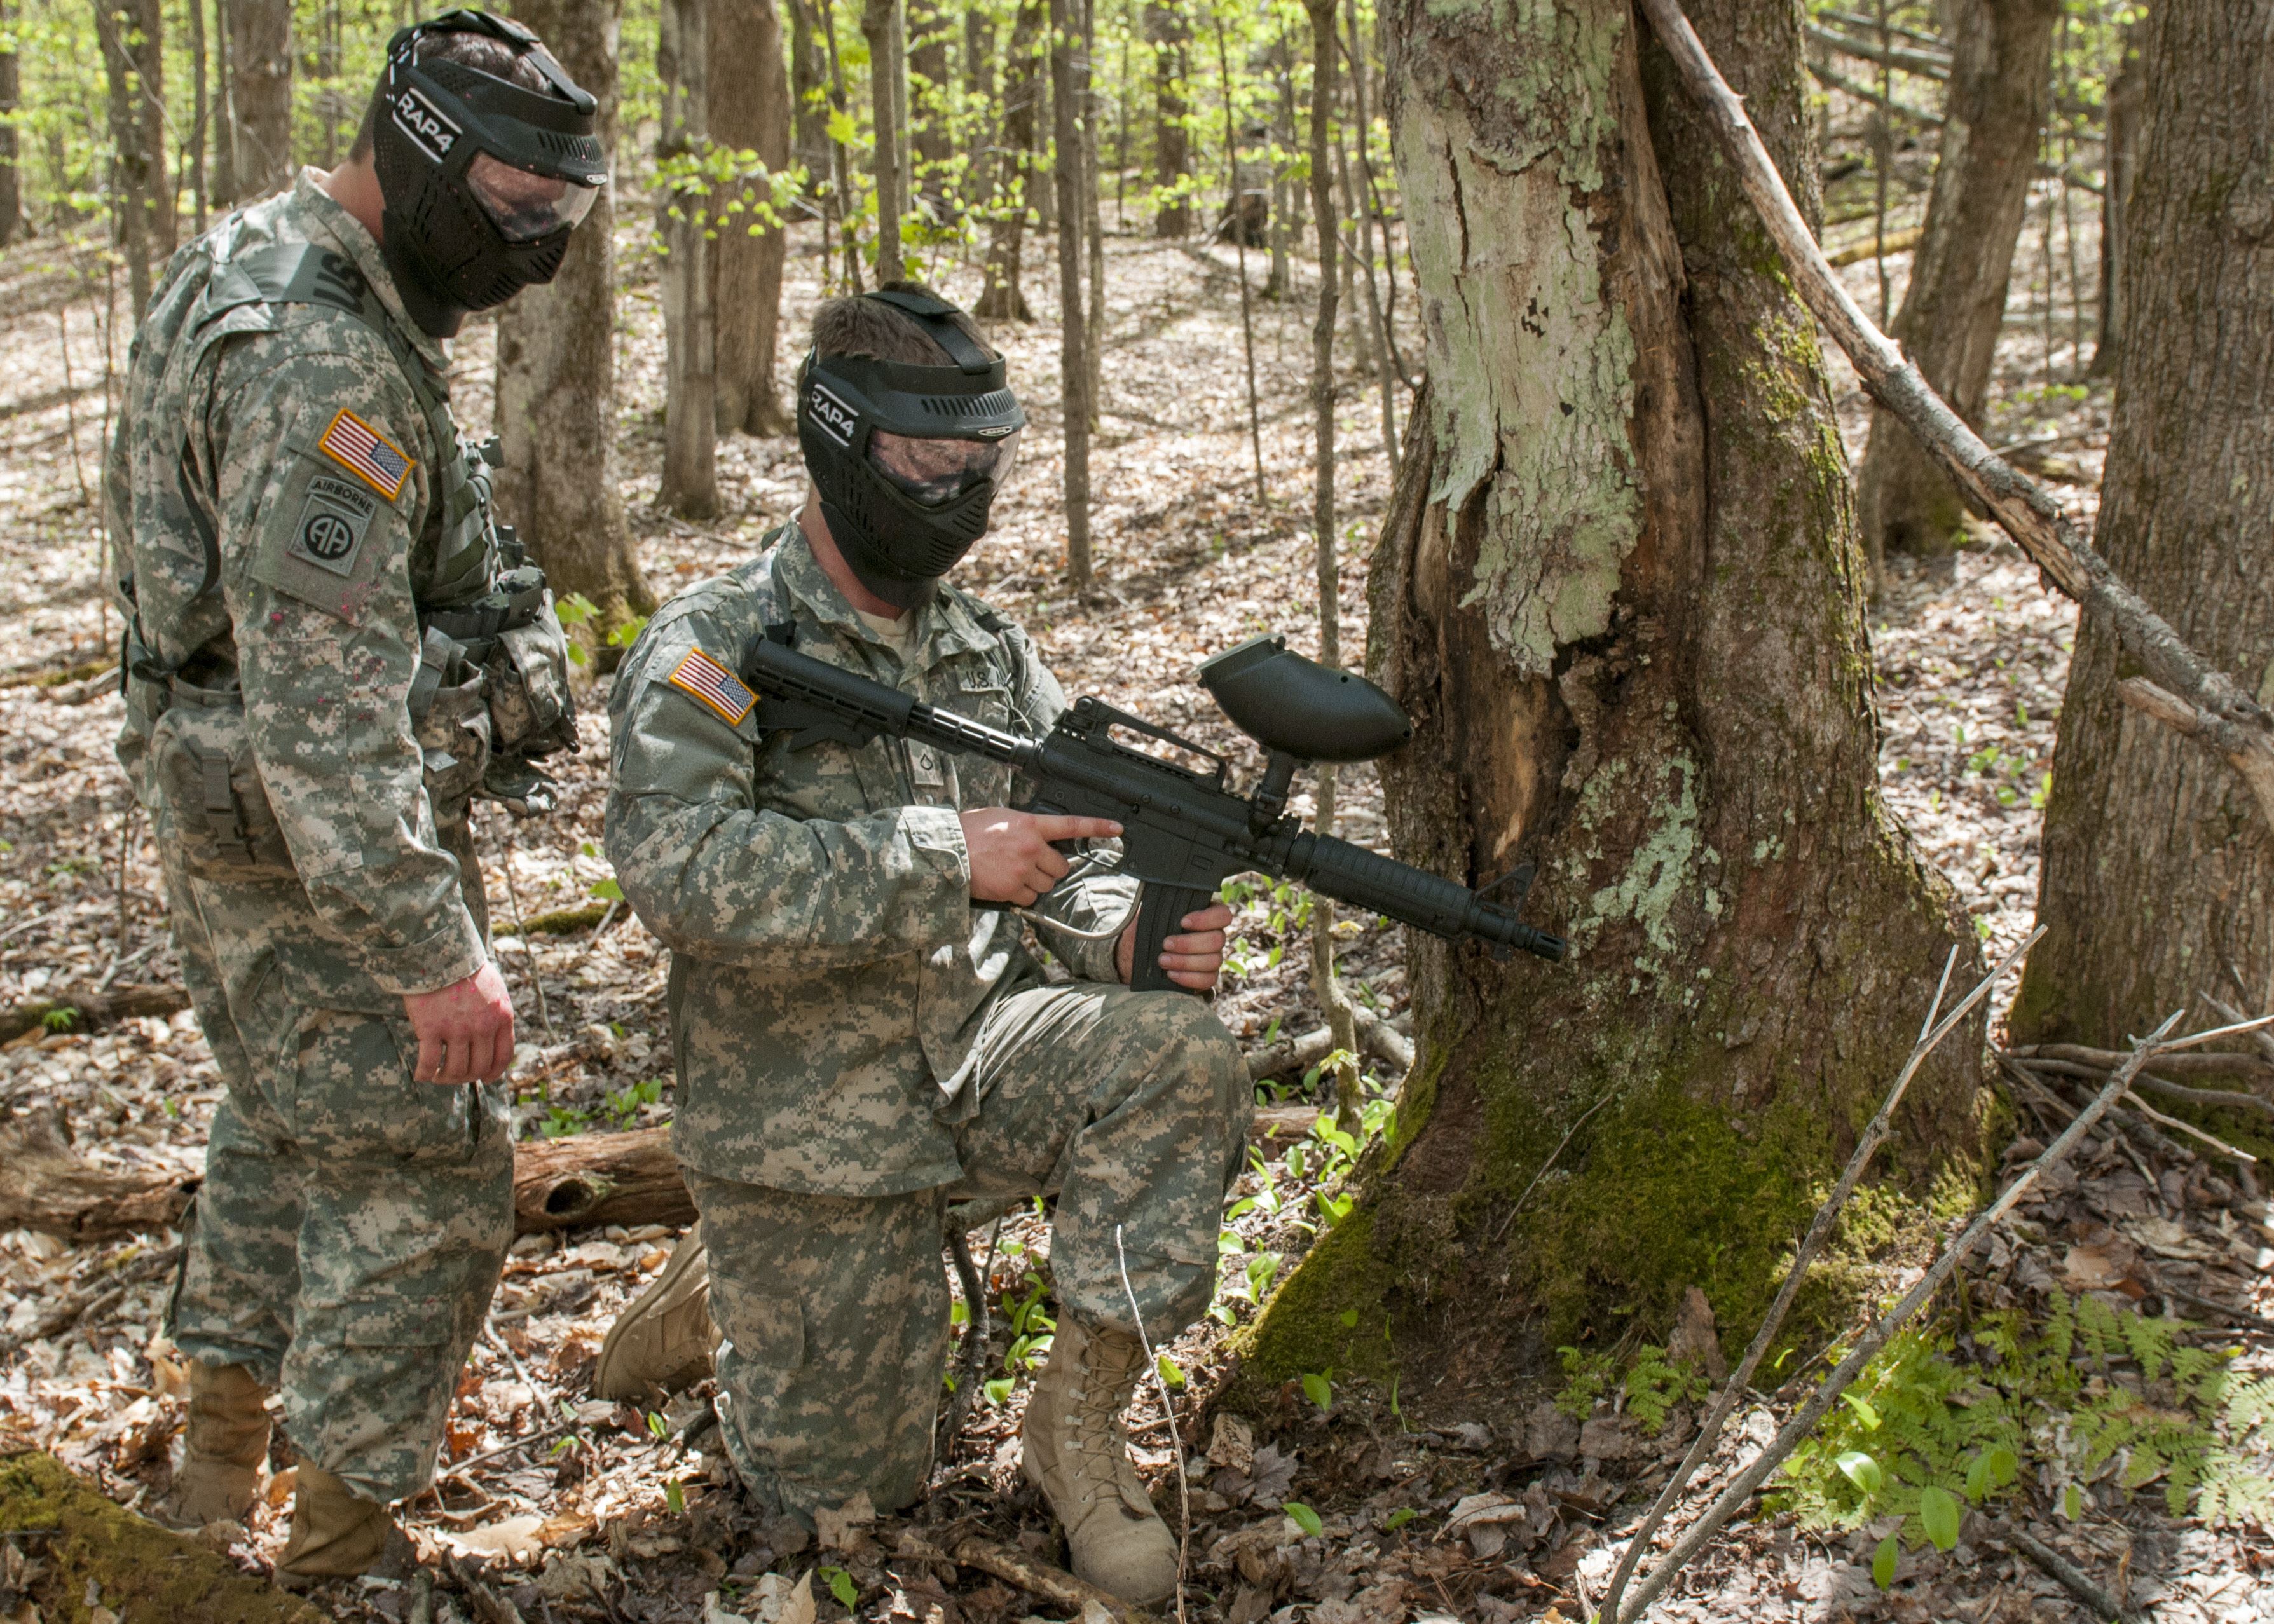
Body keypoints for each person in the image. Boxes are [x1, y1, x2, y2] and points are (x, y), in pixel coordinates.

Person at [599, 285, 1251, 1605]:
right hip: (802, 1120)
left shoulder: (985, 649)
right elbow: (677, 872)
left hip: (977, 1057)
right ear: (840, 441)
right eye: (925, 458)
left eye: (980, 458)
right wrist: (943, 858)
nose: (958, 487)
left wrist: (1123, 936)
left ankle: (1075, 1433)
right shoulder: (717, 644)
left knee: (1176, 1056)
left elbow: (1074, 855)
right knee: (851, 1495)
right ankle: (732, 1274)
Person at [109, 8, 596, 1586]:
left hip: (226, 815)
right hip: (310, 838)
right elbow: (321, 709)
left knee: (276, 1119)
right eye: (516, 204)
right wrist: (428, 951)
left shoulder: (253, 256)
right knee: (425, 1169)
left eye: (561, 210)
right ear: (425, 160)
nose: (537, 244)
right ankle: (338, 1560)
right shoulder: (323, 358)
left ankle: (211, 1481)